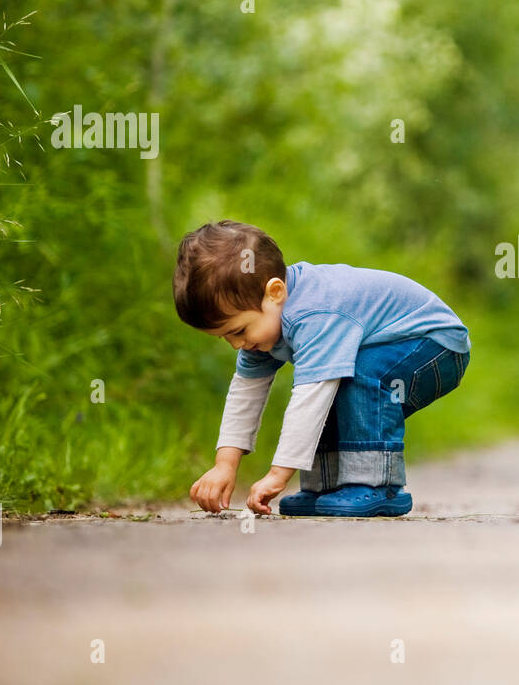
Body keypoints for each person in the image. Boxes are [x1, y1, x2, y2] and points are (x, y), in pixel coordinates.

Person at [173, 219, 470, 517]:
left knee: (360, 374)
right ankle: (325, 487)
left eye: (238, 331)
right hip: (400, 343)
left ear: (274, 293)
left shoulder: (314, 314)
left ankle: (378, 486)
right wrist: (225, 465)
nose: (237, 344)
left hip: (436, 343)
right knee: (337, 380)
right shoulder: (260, 329)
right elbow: (245, 393)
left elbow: (310, 399)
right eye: (225, 337)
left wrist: (278, 475)